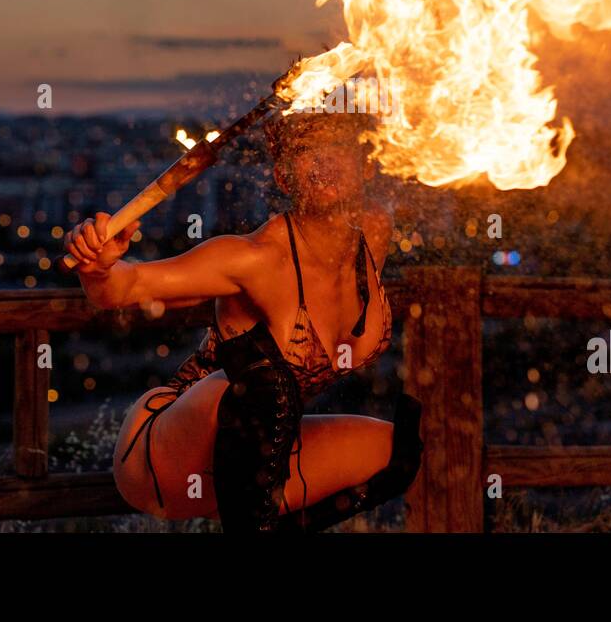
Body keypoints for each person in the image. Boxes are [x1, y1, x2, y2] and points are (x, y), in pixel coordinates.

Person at [63, 107, 423, 532]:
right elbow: (124, 289)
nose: (325, 162)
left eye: (338, 148)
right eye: (307, 151)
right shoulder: (255, 259)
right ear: (284, 177)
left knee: (403, 450)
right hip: (169, 458)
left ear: (364, 165)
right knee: (264, 382)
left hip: (260, 471)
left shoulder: (374, 231)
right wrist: (97, 267)